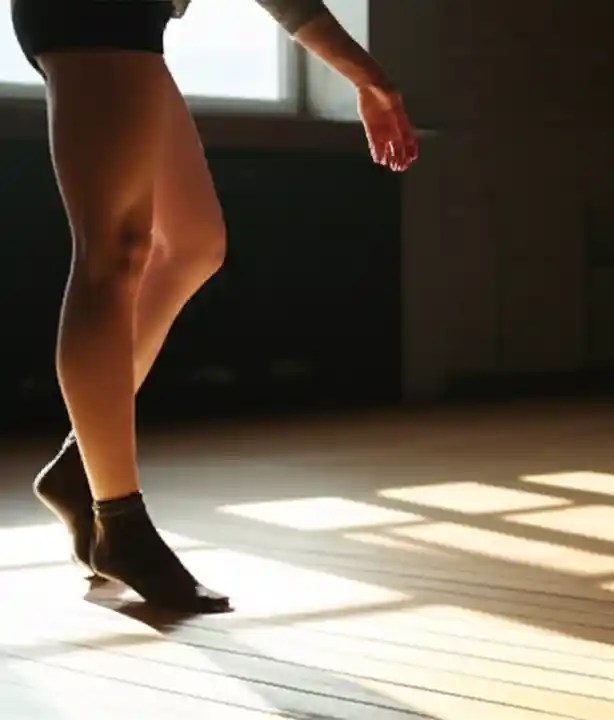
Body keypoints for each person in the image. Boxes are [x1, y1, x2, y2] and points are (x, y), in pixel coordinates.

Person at [12, 0, 419, 613]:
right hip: (86, 13)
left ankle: (80, 466)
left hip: (131, 20)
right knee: (113, 248)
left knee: (194, 242)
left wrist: (370, 77)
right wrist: (369, 77)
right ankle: (118, 522)